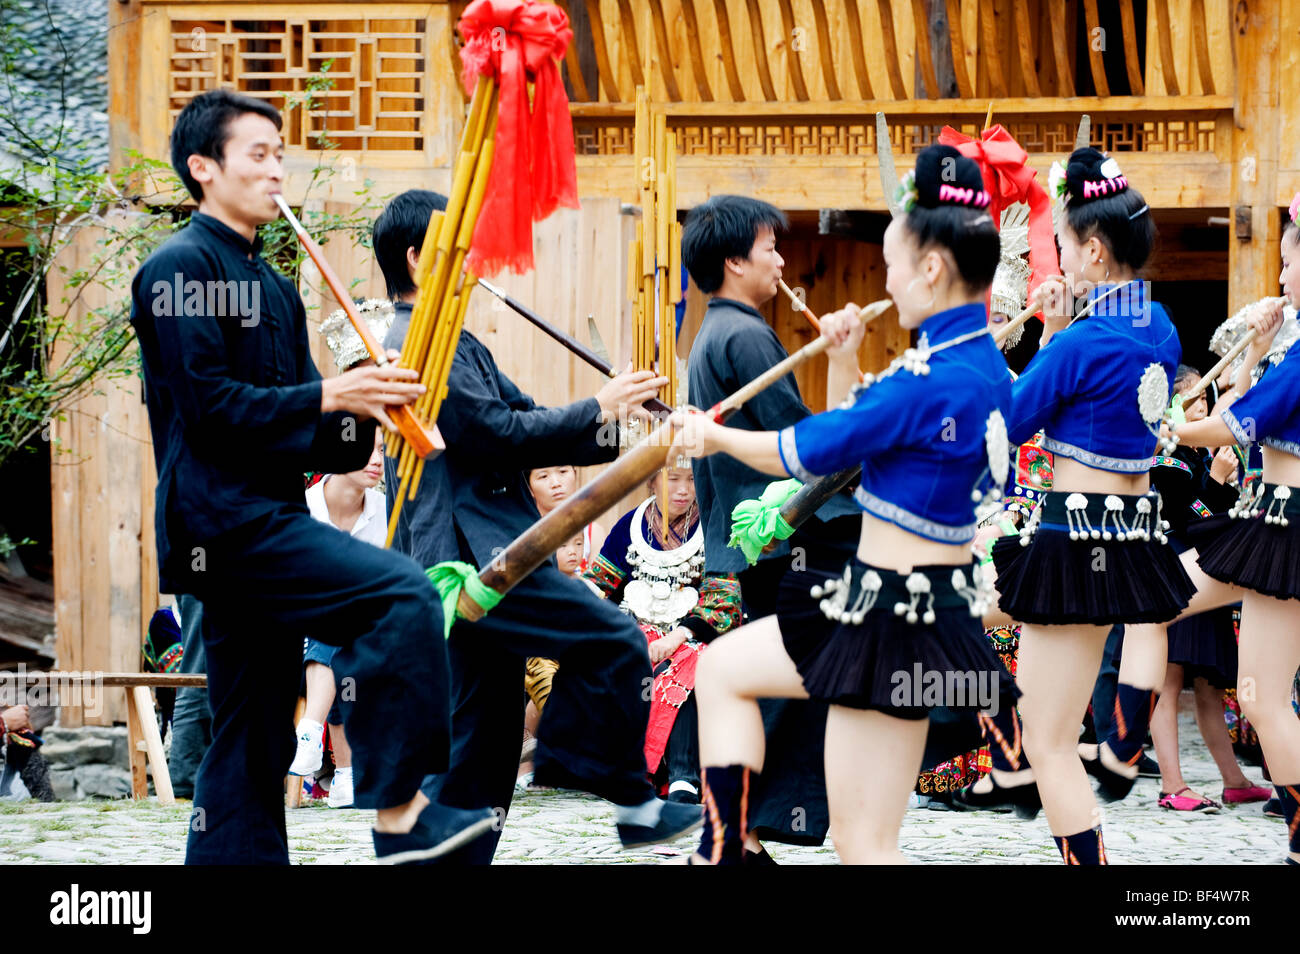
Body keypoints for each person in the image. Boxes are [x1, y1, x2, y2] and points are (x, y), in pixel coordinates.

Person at [130, 89, 493, 864]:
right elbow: (210, 411)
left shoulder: (271, 287)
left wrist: (375, 404)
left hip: (268, 518)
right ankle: (399, 805)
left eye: (280, 155)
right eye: (257, 155)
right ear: (203, 168)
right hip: (223, 525)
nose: (276, 171)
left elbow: (317, 443)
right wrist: (331, 392)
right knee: (405, 593)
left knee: (253, 727)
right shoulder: (173, 270)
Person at [673, 145, 1015, 863]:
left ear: (929, 268)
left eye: (891, 264)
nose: (885, 279)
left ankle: (725, 848)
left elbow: (807, 450)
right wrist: (842, 359)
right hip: (928, 609)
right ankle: (728, 846)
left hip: (881, 612)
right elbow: (861, 439)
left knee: (722, 676)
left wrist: (712, 435)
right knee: (866, 841)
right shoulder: (982, 366)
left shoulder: (921, 379)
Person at [375, 189, 703, 862]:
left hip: (486, 547)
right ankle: (631, 802)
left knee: (485, 735)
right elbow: (493, 434)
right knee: (612, 639)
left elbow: (529, 421)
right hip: (475, 555)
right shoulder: (413, 341)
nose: (472, 265)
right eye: (458, 252)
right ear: (417, 259)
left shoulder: (455, 341)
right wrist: (597, 406)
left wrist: (621, 418)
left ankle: (437, 858)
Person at [990, 148, 1192, 864]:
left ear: (1096, 251)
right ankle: (1089, 752)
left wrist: (1010, 335)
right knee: (1044, 725)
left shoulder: (1081, 343)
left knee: (1045, 739)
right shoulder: (1157, 325)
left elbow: (1009, 420)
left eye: (1063, 248)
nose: (1059, 263)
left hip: (1074, 540)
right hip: (1127, 538)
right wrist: (1055, 332)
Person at [682, 193, 859, 857]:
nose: (782, 261)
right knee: (794, 681)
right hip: (791, 536)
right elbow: (796, 445)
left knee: (773, 681)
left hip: (765, 541)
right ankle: (736, 835)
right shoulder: (746, 334)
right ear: (734, 262)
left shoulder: (715, 333)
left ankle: (740, 837)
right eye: (769, 249)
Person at [1161, 197, 1300, 863]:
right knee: (1154, 602)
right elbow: (1243, 405)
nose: (1280, 279)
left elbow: (1236, 426)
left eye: (1288, 263)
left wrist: (1171, 427)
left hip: (1285, 527)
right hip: (1265, 520)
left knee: (1264, 698)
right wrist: (1259, 348)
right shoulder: (1292, 348)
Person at [1146, 366, 1269, 812]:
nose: (1202, 408)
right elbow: (1187, 519)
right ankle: (1172, 785)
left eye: (1204, 400)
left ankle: (1233, 780)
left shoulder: (1199, 455)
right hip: (1175, 572)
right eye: (1192, 401)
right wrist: (1217, 482)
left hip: (1207, 577)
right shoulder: (1164, 458)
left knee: (1209, 687)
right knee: (1168, 682)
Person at [584, 466, 742, 802]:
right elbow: (598, 586)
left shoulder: (713, 525)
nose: (684, 489)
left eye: (692, 479)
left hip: (691, 636)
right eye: (673, 479)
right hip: (635, 632)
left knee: (687, 664)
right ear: (652, 479)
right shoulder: (629, 526)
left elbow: (724, 598)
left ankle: (683, 776)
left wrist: (677, 636)